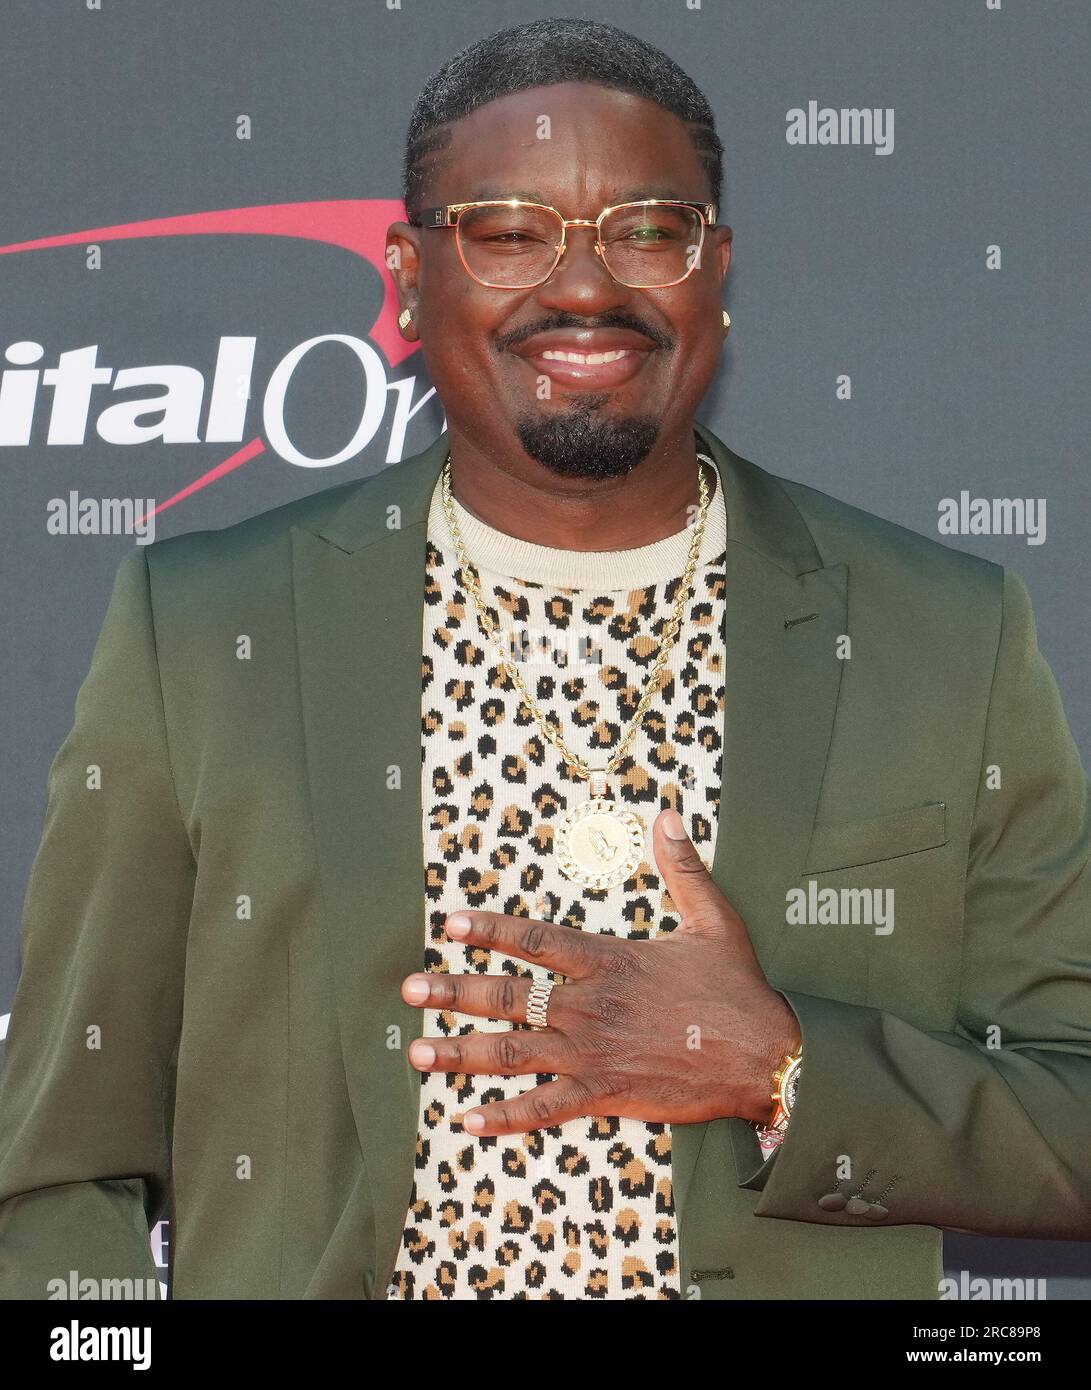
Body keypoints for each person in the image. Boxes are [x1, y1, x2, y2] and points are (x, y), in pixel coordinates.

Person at [1, 17, 1089, 1302]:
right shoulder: (202, 630)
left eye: (646, 229)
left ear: (714, 270)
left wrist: (783, 1065)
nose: (583, 288)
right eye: (508, 232)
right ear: (408, 278)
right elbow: (62, 1169)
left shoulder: (938, 630)